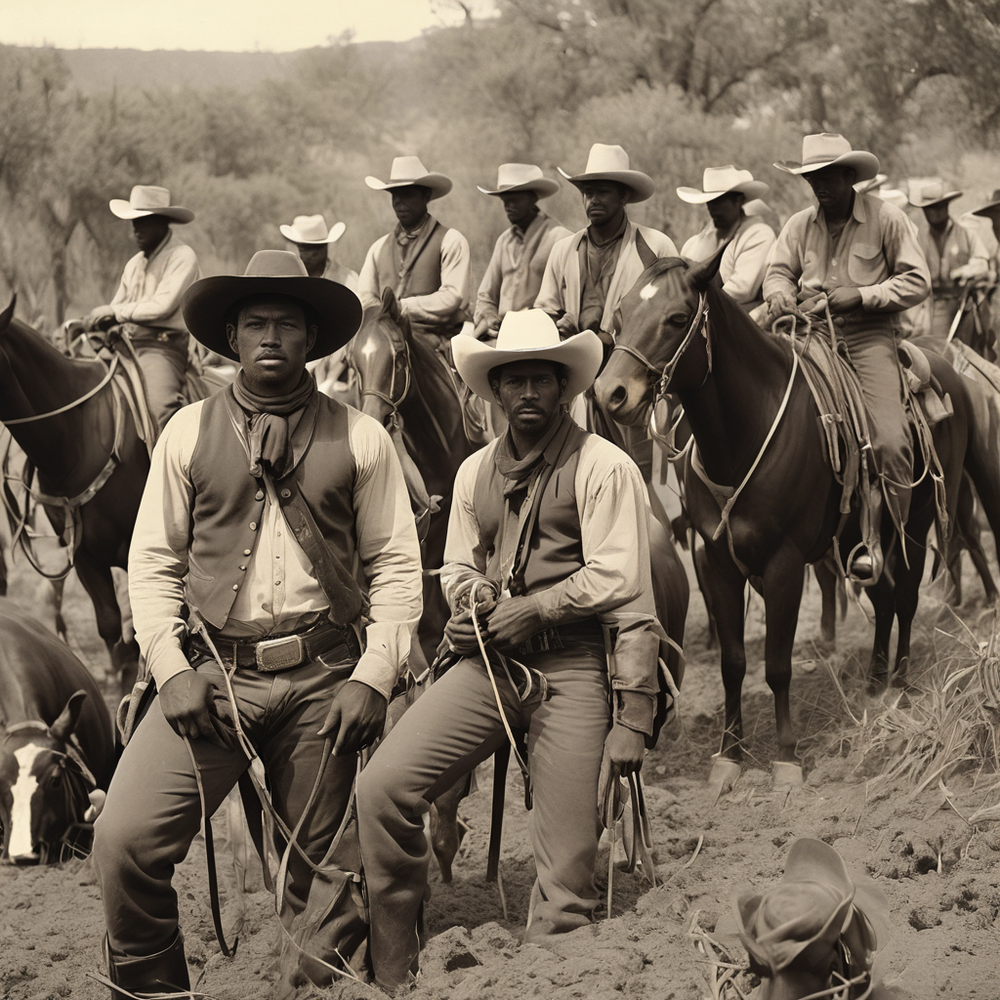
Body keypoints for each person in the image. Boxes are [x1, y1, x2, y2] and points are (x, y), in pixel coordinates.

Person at [92, 250, 423, 997]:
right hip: (213, 679)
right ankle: (152, 990)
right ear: (232, 338)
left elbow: (397, 569)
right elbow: (152, 564)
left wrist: (374, 676)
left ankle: (317, 982)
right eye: (255, 324)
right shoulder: (185, 433)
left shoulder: (362, 438)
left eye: (286, 324)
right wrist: (172, 671)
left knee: (322, 878)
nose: (271, 337)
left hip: (325, 678)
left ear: (311, 338)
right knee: (124, 838)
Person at [357, 308, 662, 992]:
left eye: (541, 380)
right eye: (513, 380)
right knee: (381, 787)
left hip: (574, 664)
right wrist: (472, 601)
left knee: (566, 884)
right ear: (494, 390)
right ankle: (394, 960)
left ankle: (552, 965)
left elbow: (620, 578)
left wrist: (543, 611)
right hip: (490, 663)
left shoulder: (604, 466)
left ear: (564, 387)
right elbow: (458, 565)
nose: (527, 392)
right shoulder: (472, 473)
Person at [763, 133, 931, 583]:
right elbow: (777, 272)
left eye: (826, 176)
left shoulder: (887, 218)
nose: (818, 185)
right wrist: (779, 294)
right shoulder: (798, 225)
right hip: (811, 333)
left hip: (869, 335)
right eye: (810, 177)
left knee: (890, 441)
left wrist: (864, 295)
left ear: (849, 175)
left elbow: (918, 281)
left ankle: (883, 538)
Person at [535, 143, 677, 348]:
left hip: (630, 359)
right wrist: (560, 329)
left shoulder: (655, 247)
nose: (593, 201)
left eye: (603, 192)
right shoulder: (563, 250)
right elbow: (546, 309)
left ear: (623, 196)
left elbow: (670, 313)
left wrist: (615, 338)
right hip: (570, 358)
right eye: (588, 193)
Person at [85, 185, 201, 430]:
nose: (136, 229)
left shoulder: (182, 256)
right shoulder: (134, 264)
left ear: (162, 222)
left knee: (158, 408)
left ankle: (168, 452)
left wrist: (114, 313)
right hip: (125, 343)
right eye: (134, 222)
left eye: (143, 222)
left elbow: (162, 307)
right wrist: (98, 320)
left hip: (162, 347)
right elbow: (116, 305)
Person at [358, 155, 472, 347]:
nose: (399, 202)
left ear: (426, 196)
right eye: (395, 195)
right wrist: (382, 313)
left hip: (437, 339)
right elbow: (366, 297)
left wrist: (402, 307)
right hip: (387, 338)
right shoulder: (378, 248)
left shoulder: (451, 240)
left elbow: (452, 297)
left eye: (408, 195)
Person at [473, 163, 572, 342]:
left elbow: (570, 298)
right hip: (501, 334)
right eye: (505, 201)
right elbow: (486, 296)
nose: (508, 206)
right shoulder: (504, 241)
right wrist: (488, 316)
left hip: (541, 335)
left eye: (515, 200)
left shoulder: (560, 238)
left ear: (532, 198)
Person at [676, 165, 776, 308]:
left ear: (739, 200)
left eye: (719, 201)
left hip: (740, 316)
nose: (712, 208)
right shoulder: (694, 243)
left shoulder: (758, 235)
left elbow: (741, 290)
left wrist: (693, 303)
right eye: (709, 202)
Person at [907, 178, 989, 349]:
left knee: (972, 348)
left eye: (939, 207)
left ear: (946, 207)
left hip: (962, 302)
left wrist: (965, 271)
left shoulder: (965, 234)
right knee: (929, 348)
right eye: (930, 209)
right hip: (929, 305)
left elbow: (982, 263)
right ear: (924, 211)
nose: (935, 213)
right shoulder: (918, 239)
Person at [280, 213, 359, 291]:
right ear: (296, 248)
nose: (312, 254)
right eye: (306, 248)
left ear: (326, 246)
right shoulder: (284, 279)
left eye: (318, 247)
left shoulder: (348, 280)